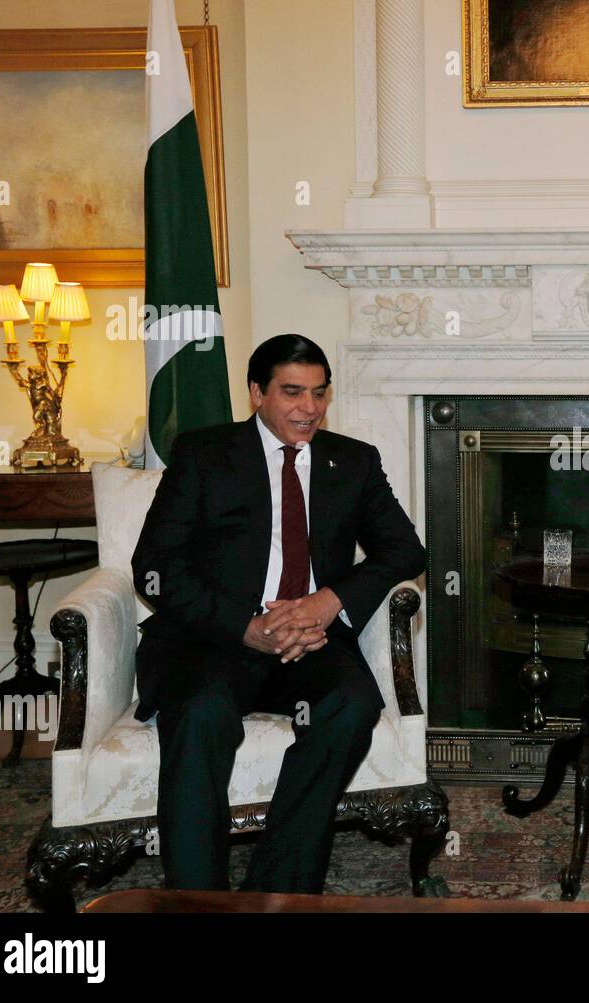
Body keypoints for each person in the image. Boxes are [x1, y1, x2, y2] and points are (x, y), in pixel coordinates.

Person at [131, 334, 426, 894]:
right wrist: (246, 626)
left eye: (318, 393)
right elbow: (155, 565)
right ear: (255, 394)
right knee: (202, 712)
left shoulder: (353, 461)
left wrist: (326, 602)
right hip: (213, 641)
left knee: (352, 703)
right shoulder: (203, 454)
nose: (309, 408)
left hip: (309, 643)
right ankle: (198, 901)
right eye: (292, 392)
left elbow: (406, 551)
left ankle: (276, 890)